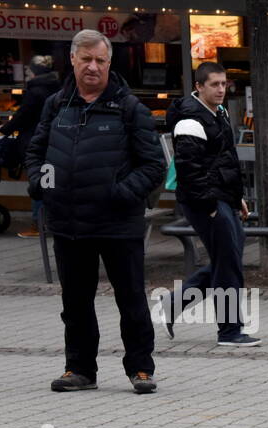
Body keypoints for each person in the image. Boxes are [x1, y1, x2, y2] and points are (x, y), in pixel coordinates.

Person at [25, 29, 165, 394]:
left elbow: (153, 166)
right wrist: (42, 185)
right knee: (75, 302)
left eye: (100, 60)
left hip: (119, 223)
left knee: (131, 298)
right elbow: (36, 153)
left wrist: (120, 193)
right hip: (70, 222)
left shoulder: (129, 108)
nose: (92, 67)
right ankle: (80, 369)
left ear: (109, 63)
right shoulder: (56, 105)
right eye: (86, 59)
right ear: (72, 60)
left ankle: (141, 369)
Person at [165, 61, 259, 347]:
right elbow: (189, 170)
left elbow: (224, 160)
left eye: (223, 84)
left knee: (226, 259)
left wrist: (235, 198)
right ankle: (229, 331)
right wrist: (212, 206)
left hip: (220, 198)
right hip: (204, 201)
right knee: (228, 263)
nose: (221, 89)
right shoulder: (190, 120)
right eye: (214, 85)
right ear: (199, 87)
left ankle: (176, 302)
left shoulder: (218, 112)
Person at [0, 55, 59, 238]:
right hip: (54, 142)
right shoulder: (57, 87)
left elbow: (22, 117)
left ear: (34, 72)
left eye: (28, 70)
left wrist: (4, 131)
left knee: (38, 182)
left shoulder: (35, 92)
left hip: (36, 142)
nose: (26, 73)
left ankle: (39, 224)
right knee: (48, 181)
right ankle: (49, 222)